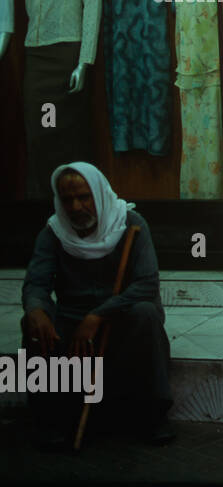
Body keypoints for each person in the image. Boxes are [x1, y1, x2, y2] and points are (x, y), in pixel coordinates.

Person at [20, 163, 174, 448]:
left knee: (146, 313)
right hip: (72, 321)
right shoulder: (53, 232)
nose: (76, 207)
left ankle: (153, 416)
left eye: (84, 197)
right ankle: (49, 421)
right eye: (67, 199)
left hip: (120, 316)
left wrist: (98, 315)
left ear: (99, 193)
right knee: (35, 324)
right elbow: (36, 283)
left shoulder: (131, 224)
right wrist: (35, 308)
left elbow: (146, 283)